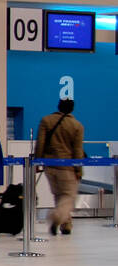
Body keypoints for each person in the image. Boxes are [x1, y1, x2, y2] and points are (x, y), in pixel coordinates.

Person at [35, 98, 85, 236]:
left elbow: (40, 143)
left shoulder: (46, 120)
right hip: (67, 167)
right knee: (69, 196)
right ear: (72, 109)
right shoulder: (77, 126)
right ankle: (57, 216)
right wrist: (79, 170)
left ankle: (66, 226)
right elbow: (77, 151)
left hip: (49, 166)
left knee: (59, 195)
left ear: (58, 106)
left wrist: (37, 162)